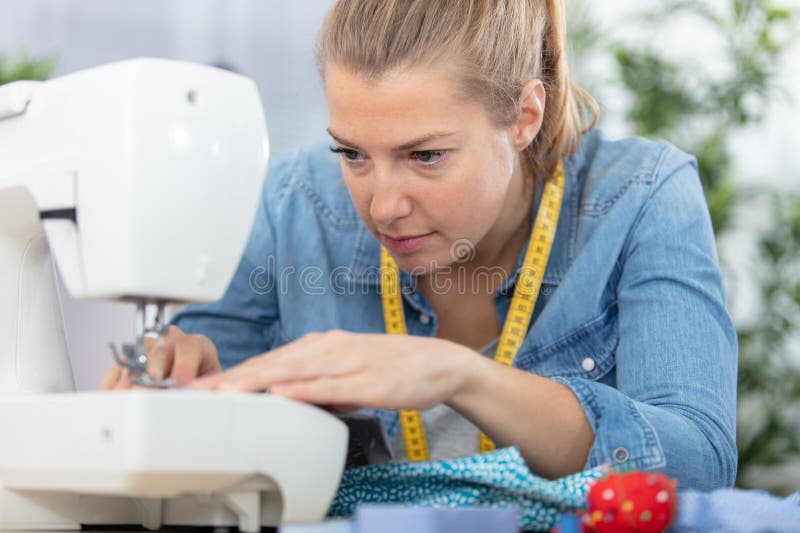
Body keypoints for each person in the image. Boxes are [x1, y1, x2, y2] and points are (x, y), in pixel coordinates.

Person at [101, 0, 737, 490]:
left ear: (524, 117)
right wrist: (188, 385)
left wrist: (460, 375)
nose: (383, 206)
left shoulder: (641, 196)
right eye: (352, 153)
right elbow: (198, 448)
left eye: (425, 156)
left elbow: (699, 462)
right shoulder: (293, 200)